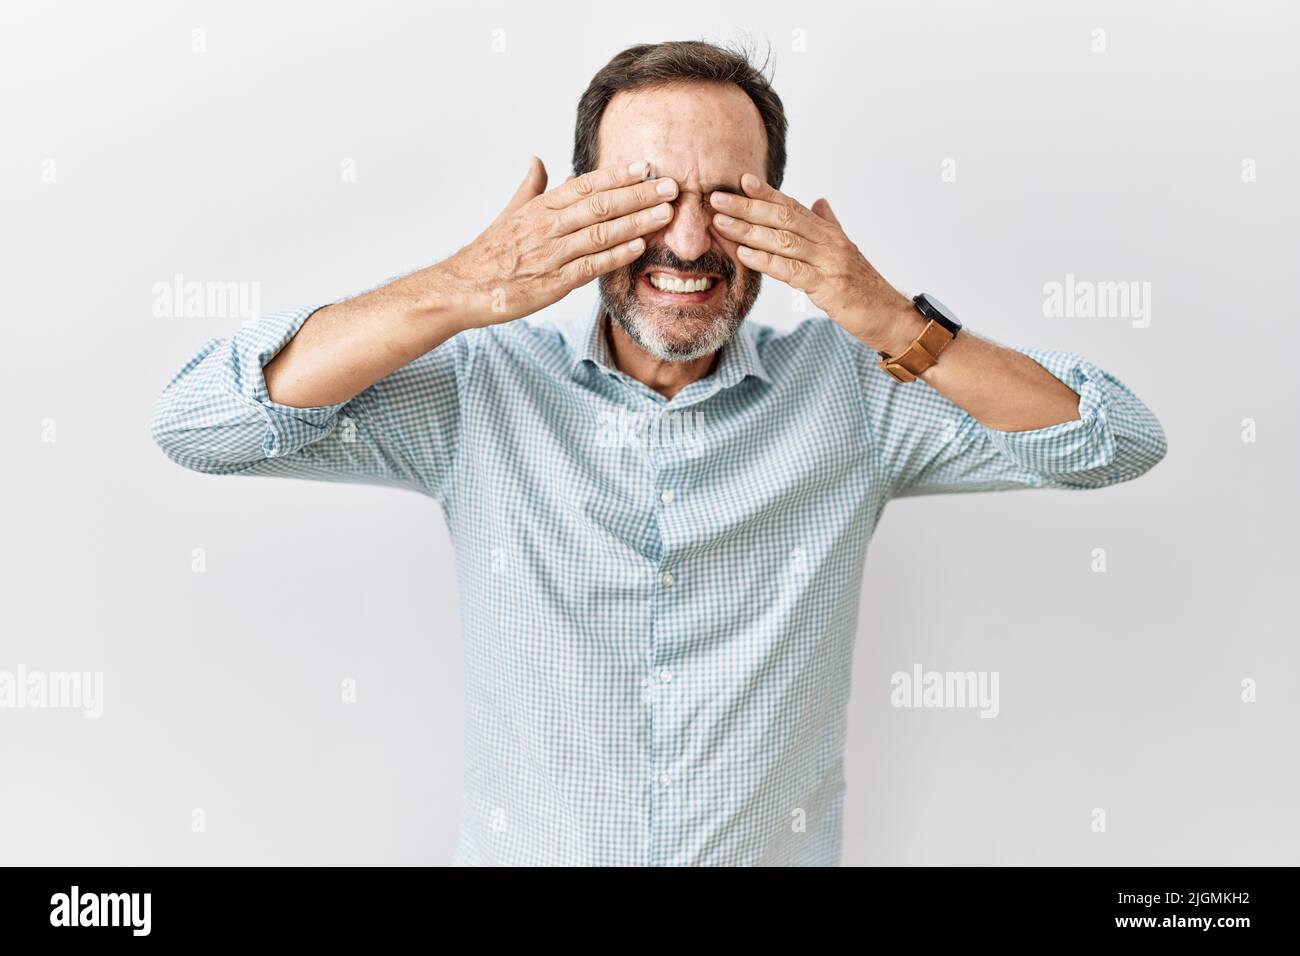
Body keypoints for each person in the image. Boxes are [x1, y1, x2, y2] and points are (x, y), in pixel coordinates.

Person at [152, 40, 1167, 866]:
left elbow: (1112, 439)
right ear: (578, 203)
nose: (686, 241)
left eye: (727, 198)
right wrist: (466, 286)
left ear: (774, 206)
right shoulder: (478, 392)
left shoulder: (859, 390)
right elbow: (202, 420)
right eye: (643, 195)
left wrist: (889, 315)